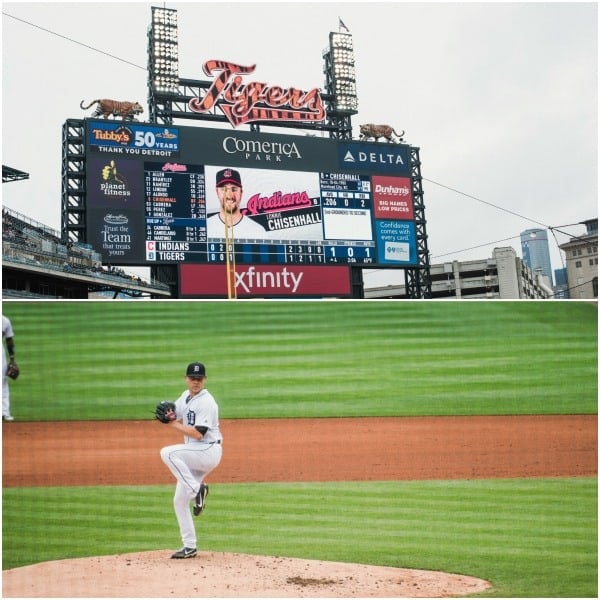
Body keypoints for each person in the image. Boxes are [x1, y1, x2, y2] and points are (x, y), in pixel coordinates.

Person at [159, 362, 223, 559]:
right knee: (179, 501)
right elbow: (174, 413)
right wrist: (167, 413)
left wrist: (172, 425)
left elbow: (197, 434)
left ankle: (197, 491)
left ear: (204, 380)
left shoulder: (207, 402)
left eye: (199, 379)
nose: (196, 382)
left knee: (168, 453)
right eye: (192, 378)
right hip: (196, 454)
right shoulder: (186, 396)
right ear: (186, 379)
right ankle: (190, 546)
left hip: (207, 450)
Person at [206, 168, 266, 239]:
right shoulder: (205, 228)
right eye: (224, 189)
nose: (229, 195)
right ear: (217, 192)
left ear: (241, 192)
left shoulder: (257, 231)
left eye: (234, 189)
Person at [2, 314, 16, 421]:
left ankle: (4, 412)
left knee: (3, 381)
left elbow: (9, 340)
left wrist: (12, 359)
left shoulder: (5, 320)